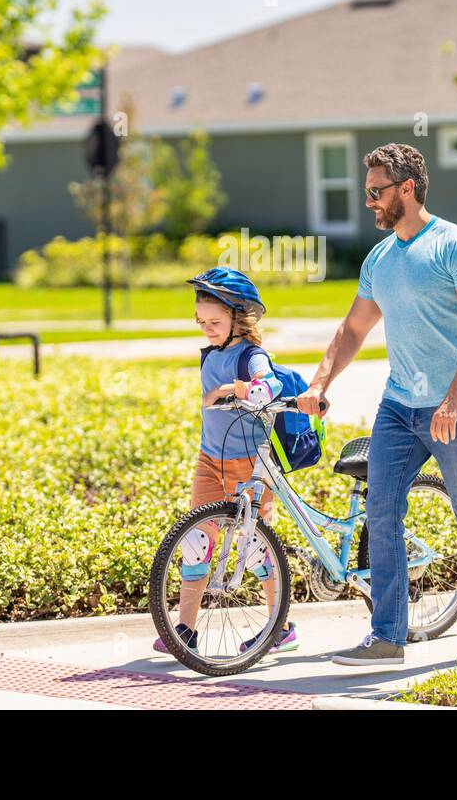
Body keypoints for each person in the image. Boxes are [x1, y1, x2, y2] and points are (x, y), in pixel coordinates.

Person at [296, 143, 457, 667]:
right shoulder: (380, 258)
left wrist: (454, 399)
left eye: (376, 191)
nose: (369, 201)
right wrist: (320, 382)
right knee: (381, 509)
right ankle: (388, 635)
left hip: (455, 409)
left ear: (407, 188)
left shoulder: (456, 246)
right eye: (366, 192)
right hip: (399, 405)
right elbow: (353, 328)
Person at [152, 266, 299, 656]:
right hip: (209, 462)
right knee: (195, 542)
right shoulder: (209, 354)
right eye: (201, 322)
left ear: (238, 317)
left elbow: (269, 384)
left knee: (254, 548)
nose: (207, 329)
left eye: (214, 321)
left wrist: (236, 388)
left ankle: (280, 626)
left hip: (248, 467)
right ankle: (184, 629)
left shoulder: (250, 355)